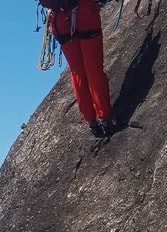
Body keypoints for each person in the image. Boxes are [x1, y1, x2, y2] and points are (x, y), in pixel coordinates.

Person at [43, 0, 115, 137]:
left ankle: (91, 121)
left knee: (77, 72)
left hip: (58, 18)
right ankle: (105, 118)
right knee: (93, 69)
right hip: (84, 11)